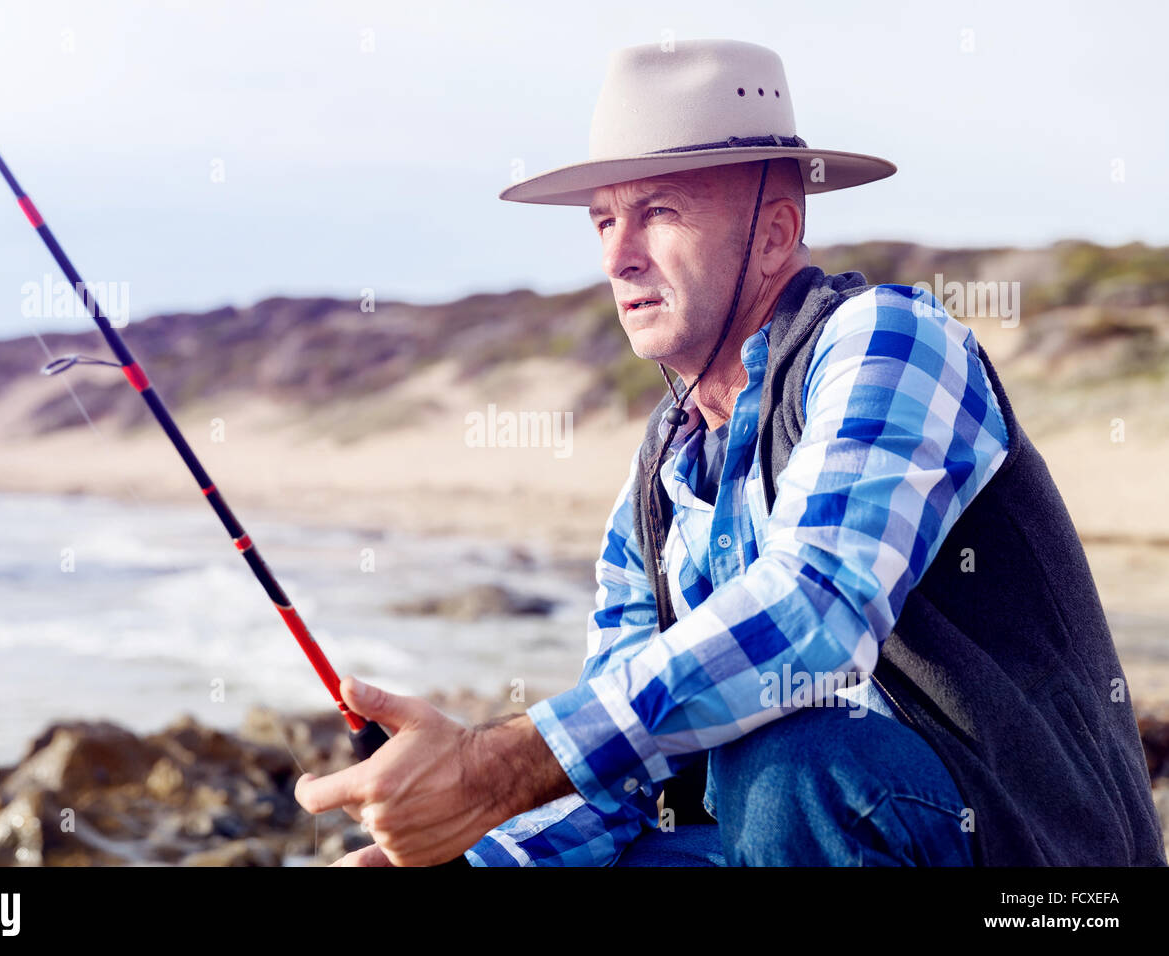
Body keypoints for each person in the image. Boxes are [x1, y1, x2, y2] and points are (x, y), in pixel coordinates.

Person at [295, 39, 1166, 867]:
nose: (619, 257)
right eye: (603, 222)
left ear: (776, 230)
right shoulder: (660, 478)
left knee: (789, 756)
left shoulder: (887, 339)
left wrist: (493, 768)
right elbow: (621, 777)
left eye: (658, 213)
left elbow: (812, 612)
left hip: (1048, 875)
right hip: (818, 835)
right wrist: (473, 850)